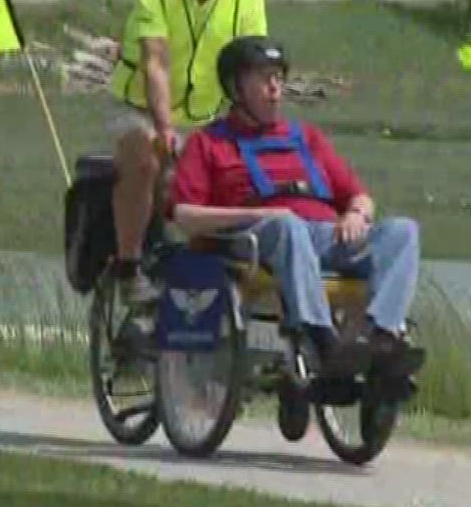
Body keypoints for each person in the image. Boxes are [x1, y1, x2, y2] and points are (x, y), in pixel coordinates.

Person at [168, 36, 425, 382]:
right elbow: (185, 215)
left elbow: (360, 196)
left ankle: (382, 334)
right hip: (256, 243)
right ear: (235, 87)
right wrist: (259, 216)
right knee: (289, 226)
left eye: (278, 77)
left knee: (403, 231)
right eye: (263, 79)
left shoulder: (307, 138)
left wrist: (356, 215)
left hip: (326, 237)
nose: (274, 88)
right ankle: (319, 337)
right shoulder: (208, 143)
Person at [104, 0, 269, 331]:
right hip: (143, 104)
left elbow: (251, 69)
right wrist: (165, 127)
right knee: (145, 153)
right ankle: (129, 267)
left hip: (210, 116)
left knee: (242, 176)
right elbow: (155, 61)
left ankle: (224, 276)